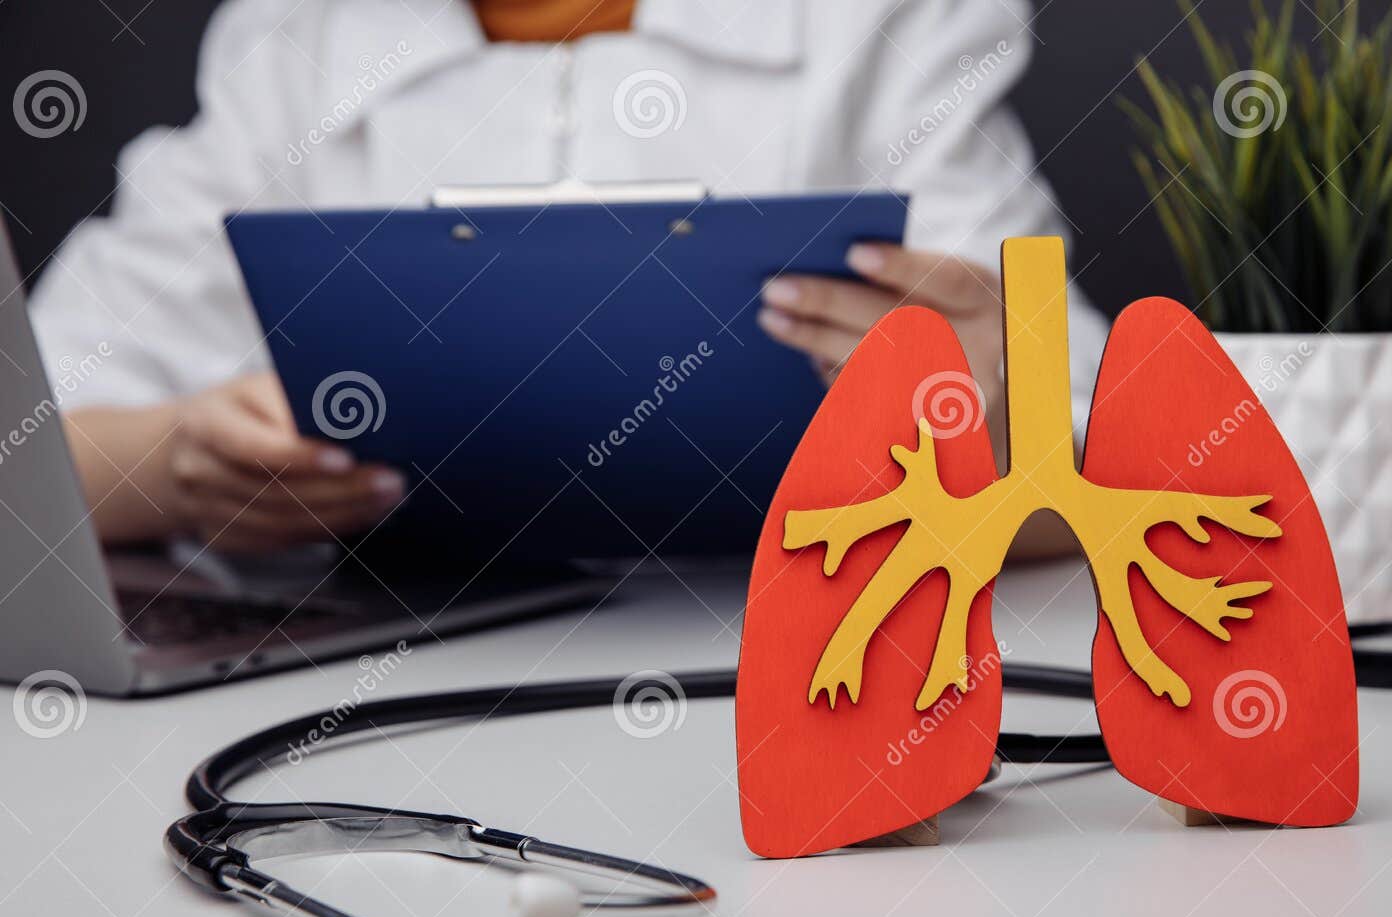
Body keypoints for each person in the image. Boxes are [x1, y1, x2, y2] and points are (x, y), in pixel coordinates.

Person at [32, 0, 1107, 554]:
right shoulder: (294, 45)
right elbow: (29, 450)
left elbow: (1103, 460)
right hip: (381, 688)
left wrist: (983, 432)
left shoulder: (888, 28)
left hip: (796, 669)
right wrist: (177, 463)